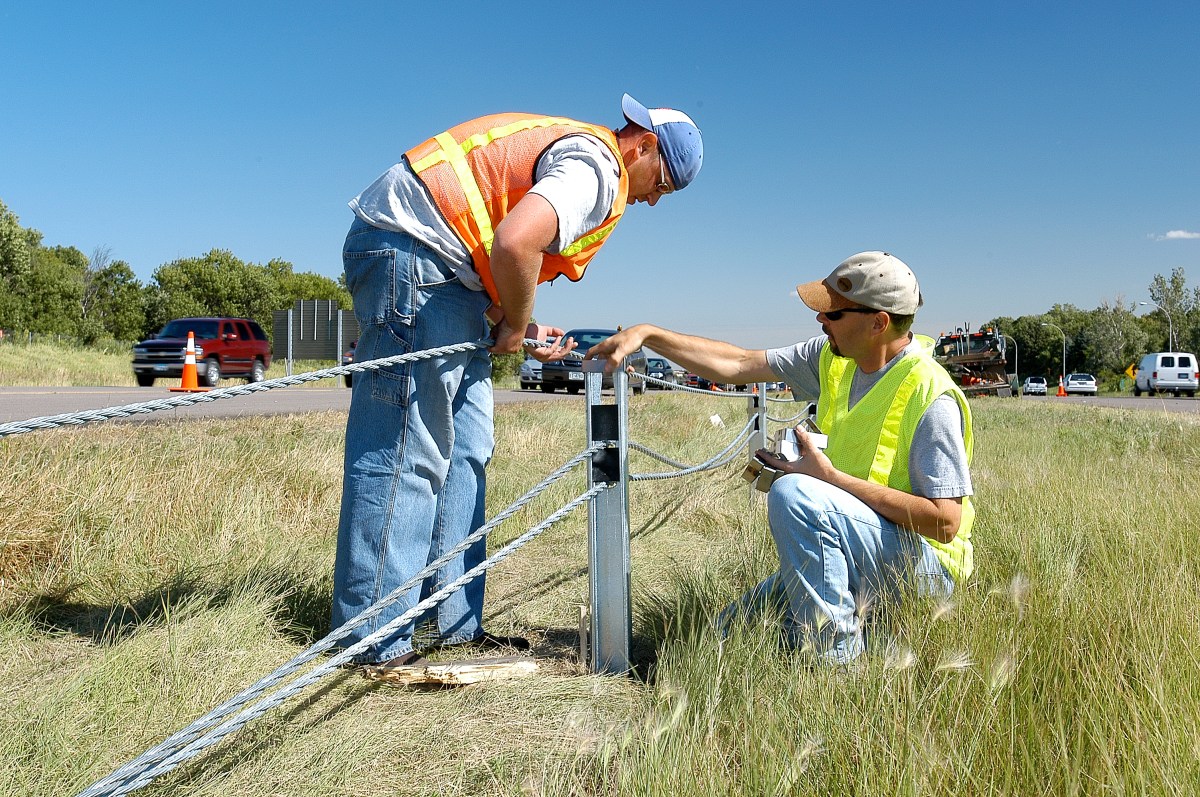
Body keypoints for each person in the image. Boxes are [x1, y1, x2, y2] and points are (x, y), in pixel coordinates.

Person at [332, 95, 704, 670]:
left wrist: (515, 317)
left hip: (449, 276)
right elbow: (516, 241)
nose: (655, 198)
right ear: (645, 145)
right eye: (664, 184)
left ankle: (454, 622)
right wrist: (516, 319)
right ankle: (372, 640)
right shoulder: (599, 169)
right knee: (410, 448)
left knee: (466, 452)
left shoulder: (587, 157)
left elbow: (506, 249)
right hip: (414, 254)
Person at [586, 252, 974, 664]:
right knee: (718, 643)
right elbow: (738, 364)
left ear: (878, 322)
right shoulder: (832, 358)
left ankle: (837, 670)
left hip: (925, 570)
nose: (821, 321)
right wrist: (648, 335)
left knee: (795, 495)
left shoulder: (932, 396)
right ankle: (854, 634)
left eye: (833, 313)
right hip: (856, 540)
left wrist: (826, 478)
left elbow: (944, 522)